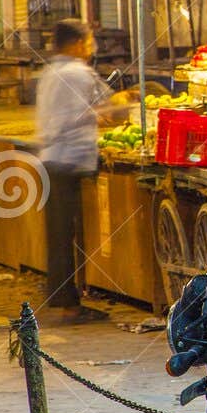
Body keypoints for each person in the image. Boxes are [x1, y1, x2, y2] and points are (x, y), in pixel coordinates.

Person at [35, 19, 128, 322]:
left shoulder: (49, 72)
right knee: (66, 234)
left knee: (60, 233)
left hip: (51, 159)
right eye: (89, 41)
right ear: (76, 43)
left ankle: (65, 296)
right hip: (69, 160)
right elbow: (107, 109)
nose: (92, 48)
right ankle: (68, 304)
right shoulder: (78, 73)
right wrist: (124, 103)